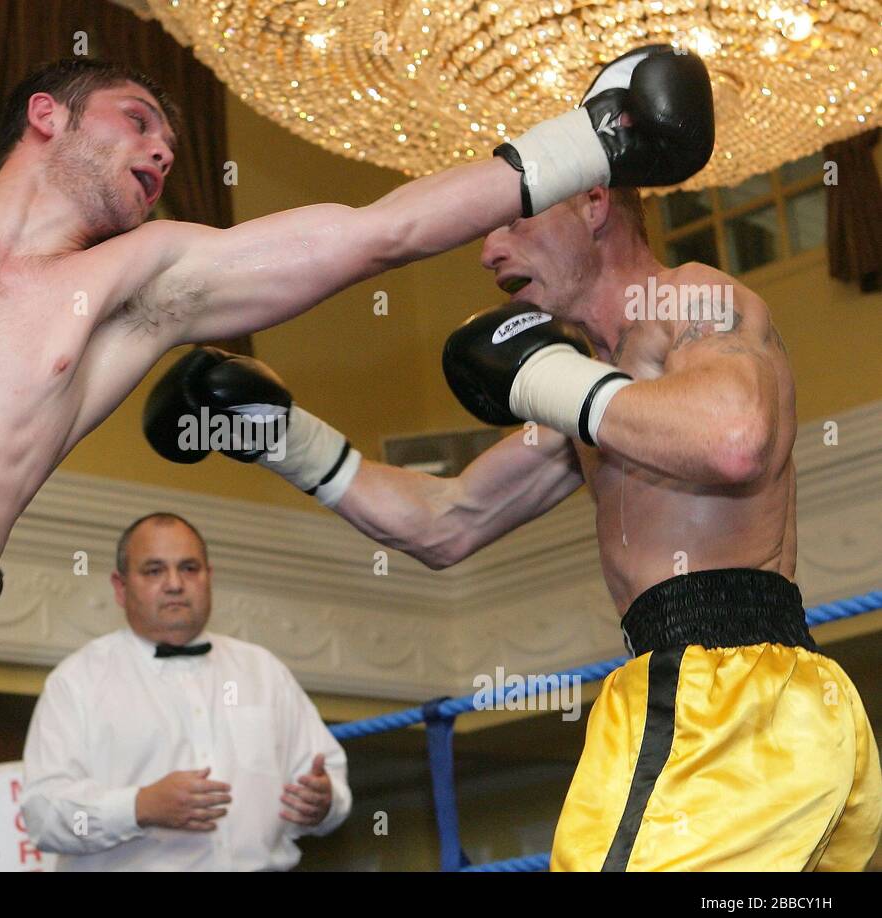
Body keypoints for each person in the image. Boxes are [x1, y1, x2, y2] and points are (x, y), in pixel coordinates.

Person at [0, 47, 712, 870]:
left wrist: (587, 140)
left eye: (173, 143)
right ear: (44, 116)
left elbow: (374, 234)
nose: (165, 149)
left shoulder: (139, 285)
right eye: (137, 120)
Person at [144, 184, 882, 871]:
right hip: (747, 706)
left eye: (513, 221)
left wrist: (542, 380)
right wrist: (276, 436)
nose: (489, 249)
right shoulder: (595, 390)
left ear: (593, 202)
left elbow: (734, 435)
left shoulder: (690, 299)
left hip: (723, 703)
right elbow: (446, 519)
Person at [22, 513, 350, 870]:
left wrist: (325, 802)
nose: (175, 584)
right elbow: (43, 814)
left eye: (189, 568)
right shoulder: (76, 681)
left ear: (209, 576)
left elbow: (329, 777)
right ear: (120, 587)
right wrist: (140, 806)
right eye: (154, 570)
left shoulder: (264, 672)